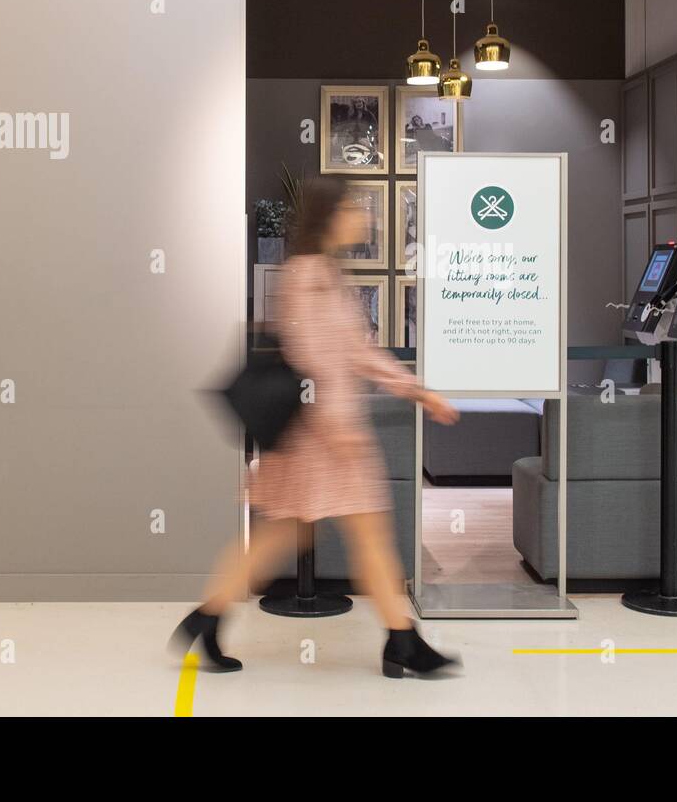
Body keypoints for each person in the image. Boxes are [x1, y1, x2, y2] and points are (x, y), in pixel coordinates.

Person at [170, 178, 462, 678]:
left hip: (315, 439)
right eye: (353, 208)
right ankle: (402, 643)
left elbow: (357, 354)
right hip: (324, 439)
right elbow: (313, 361)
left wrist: (415, 390)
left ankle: (205, 620)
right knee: (357, 535)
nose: (363, 217)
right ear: (330, 216)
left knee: (285, 539)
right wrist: (339, 428)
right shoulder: (310, 277)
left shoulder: (322, 272)